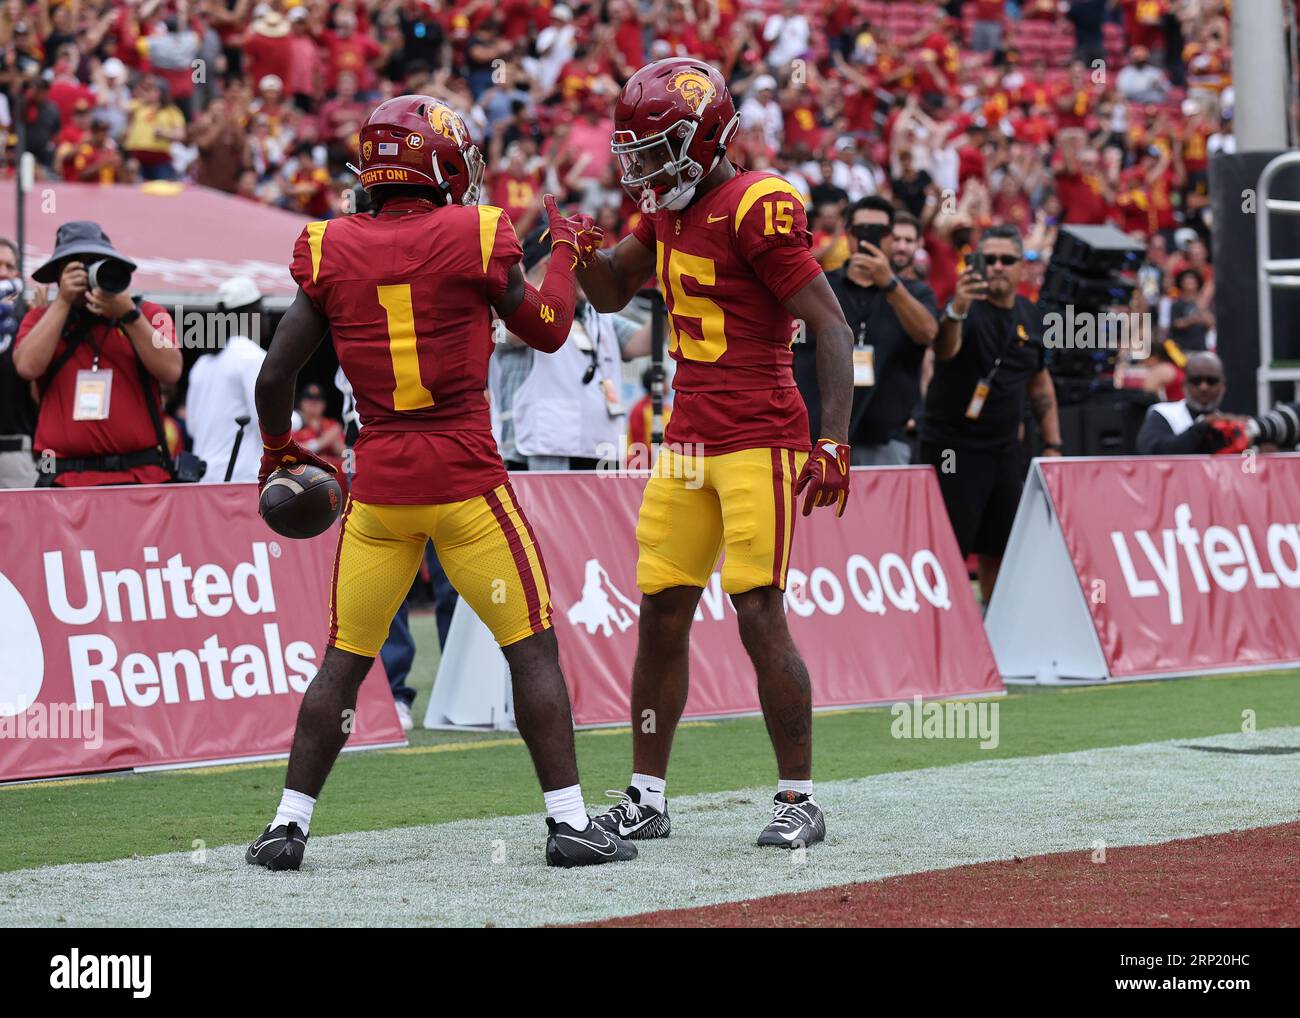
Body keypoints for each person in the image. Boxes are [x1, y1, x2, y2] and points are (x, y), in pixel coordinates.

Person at [246, 95, 634, 871]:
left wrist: (280, 451)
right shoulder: (478, 232)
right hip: (465, 482)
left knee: (344, 659)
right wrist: (561, 251)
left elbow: (276, 373)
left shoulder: (328, 246)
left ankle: (287, 826)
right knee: (532, 649)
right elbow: (551, 328)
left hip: (381, 491)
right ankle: (567, 822)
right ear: (442, 165)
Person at [576, 58, 854, 849]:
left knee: (758, 609)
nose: (645, 169)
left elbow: (832, 327)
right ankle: (647, 796)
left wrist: (831, 439)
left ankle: (799, 797)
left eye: (659, 149)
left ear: (705, 138)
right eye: (636, 152)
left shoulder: (755, 205)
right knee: (662, 611)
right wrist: (576, 251)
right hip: (687, 440)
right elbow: (607, 292)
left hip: (759, 436)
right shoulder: (667, 210)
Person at [920, 224, 1062, 603]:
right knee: (947, 548)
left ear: (1020, 266)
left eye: (1007, 259)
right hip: (953, 449)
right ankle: (945, 629)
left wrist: (1052, 444)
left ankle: (992, 627)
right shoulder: (961, 305)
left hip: (1003, 451)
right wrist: (956, 310)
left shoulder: (1032, 315)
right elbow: (945, 350)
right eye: (989, 259)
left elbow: (1039, 382)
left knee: (1000, 546)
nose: (998, 266)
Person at [13, 221, 181, 487]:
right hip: (65, 480)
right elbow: (27, 367)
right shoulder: (40, 319)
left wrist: (128, 315)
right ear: (58, 274)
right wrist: (63, 302)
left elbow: (171, 371)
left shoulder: (148, 314)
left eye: (95, 262)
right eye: (74, 265)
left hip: (140, 477)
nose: (86, 274)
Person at [507, 229, 650, 471]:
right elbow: (514, 335)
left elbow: (642, 342)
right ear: (547, 266)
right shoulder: (515, 308)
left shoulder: (595, 315)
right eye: (579, 266)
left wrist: (672, 286)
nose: (589, 275)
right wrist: (559, 268)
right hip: (546, 452)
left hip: (603, 449)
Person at [823, 196, 938, 465]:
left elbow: (929, 333)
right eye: (861, 230)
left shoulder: (914, 292)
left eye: (881, 232)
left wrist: (889, 284)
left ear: (891, 237)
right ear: (847, 235)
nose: (870, 238)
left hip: (888, 440)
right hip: (826, 441)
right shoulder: (823, 287)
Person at [186, 276, 267, 483]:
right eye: (263, 311)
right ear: (252, 315)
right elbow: (266, 420)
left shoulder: (202, 362)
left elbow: (192, 427)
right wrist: (299, 419)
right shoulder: (251, 356)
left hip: (203, 478)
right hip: (241, 478)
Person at [0, 237, 38, 488]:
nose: (3, 273)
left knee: (26, 527)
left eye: (9, 266)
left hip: (16, 454)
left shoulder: (32, 323)